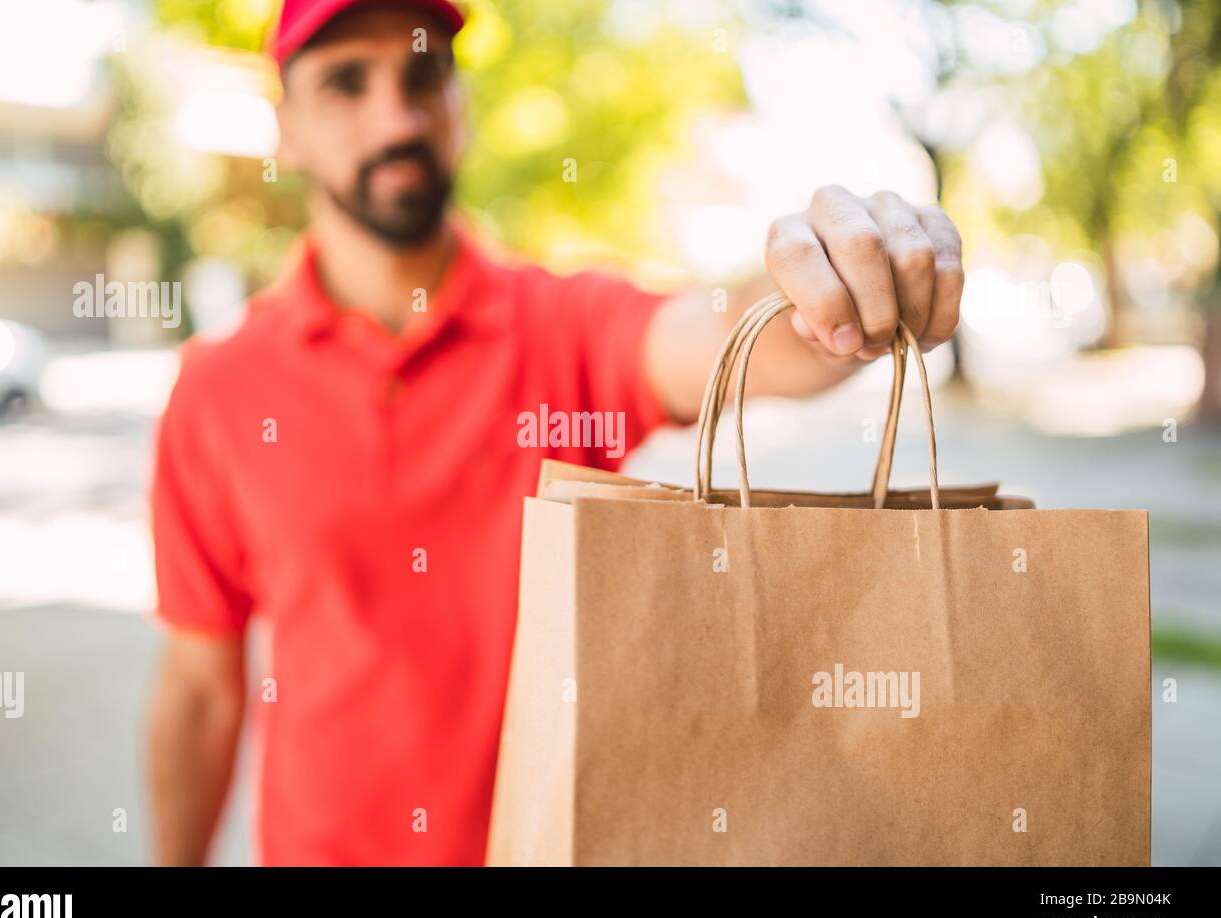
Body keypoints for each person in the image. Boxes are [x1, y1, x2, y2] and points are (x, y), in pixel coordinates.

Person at [145, 0, 965, 866]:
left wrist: (824, 291)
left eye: (423, 74)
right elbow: (201, 690)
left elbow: (707, 336)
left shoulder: (557, 326)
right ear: (288, 131)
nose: (397, 115)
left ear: (459, 105)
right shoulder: (219, 388)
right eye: (347, 83)